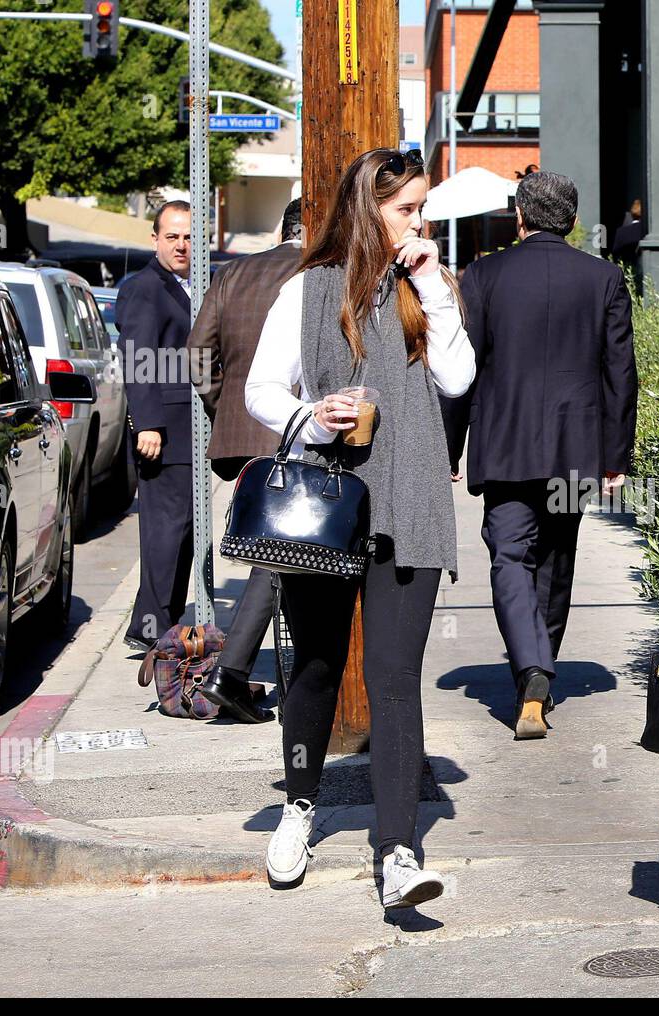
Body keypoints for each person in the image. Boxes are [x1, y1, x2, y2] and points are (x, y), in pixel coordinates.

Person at [245, 148, 474, 910]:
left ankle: (399, 850)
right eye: (407, 208)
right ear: (369, 209)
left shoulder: (426, 288)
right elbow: (259, 391)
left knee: (393, 680)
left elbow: (459, 378)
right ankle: (299, 806)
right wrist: (312, 415)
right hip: (328, 507)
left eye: (423, 208)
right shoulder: (308, 290)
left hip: (407, 504)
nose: (420, 221)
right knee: (312, 667)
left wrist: (433, 284)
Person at [459, 171, 638, 740]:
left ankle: (531, 668)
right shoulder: (605, 278)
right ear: (573, 220)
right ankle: (538, 676)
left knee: (510, 556)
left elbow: (461, 372)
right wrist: (616, 456)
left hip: (506, 444)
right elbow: (621, 376)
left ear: (520, 216)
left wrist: (448, 444)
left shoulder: (483, 275)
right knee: (557, 560)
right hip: (576, 446)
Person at [187, 198, 306, 723]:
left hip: (239, 436)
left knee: (277, 551)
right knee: (281, 552)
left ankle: (239, 671)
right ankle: (233, 671)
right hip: (297, 430)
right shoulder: (318, 273)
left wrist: (223, 404)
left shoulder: (234, 272)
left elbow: (196, 353)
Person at [116, 200, 195, 653]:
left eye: (188, 236)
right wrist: (147, 424)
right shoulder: (146, 288)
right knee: (167, 530)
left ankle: (156, 623)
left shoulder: (190, 284)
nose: (181, 245)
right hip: (163, 431)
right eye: (172, 236)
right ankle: (152, 627)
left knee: (180, 530)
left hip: (189, 429)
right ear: (155, 239)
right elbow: (138, 357)